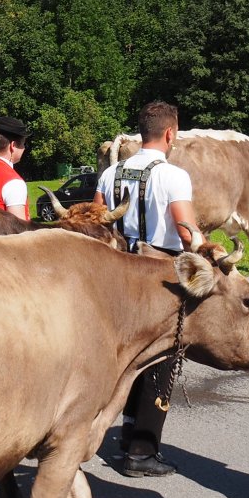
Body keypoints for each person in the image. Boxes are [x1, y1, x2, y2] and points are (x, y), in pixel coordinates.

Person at [94, 99, 200, 477]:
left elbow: (96, 224)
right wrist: (206, 252)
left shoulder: (111, 175)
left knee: (128, 357)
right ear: (170, 133)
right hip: (159, 275)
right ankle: (142, 450)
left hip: (121, 273)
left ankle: (125, 432)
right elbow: (184, 228)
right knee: (161, 358)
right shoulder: (173, 176)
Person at [0, 115, 31, 220]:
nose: (24, 148)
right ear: (13, 146)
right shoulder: (14, 183)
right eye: (24, 144)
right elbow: (19, 232)